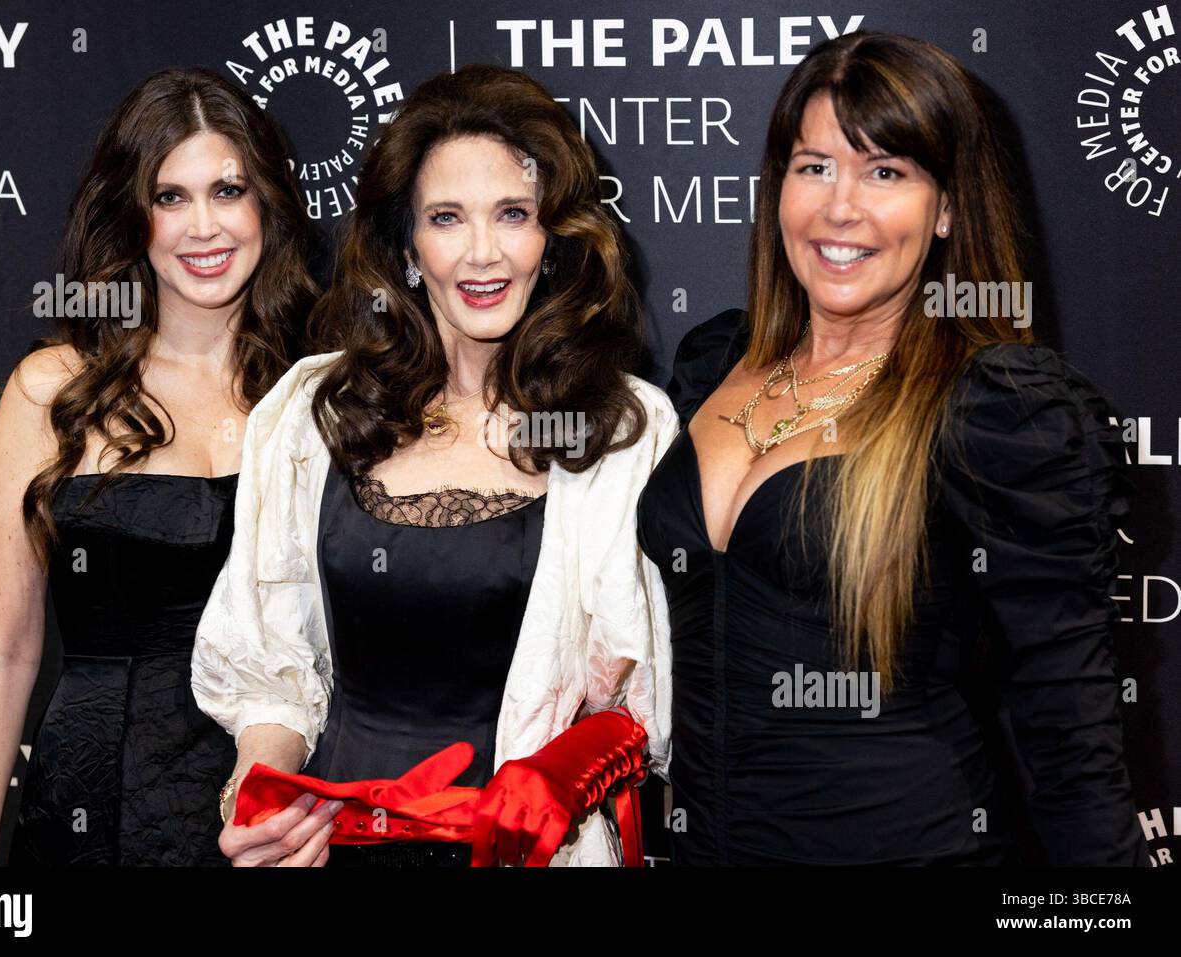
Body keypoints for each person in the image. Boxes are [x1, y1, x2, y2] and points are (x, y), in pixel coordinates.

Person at [637, 31, 1147, 865]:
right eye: (814, 166)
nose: (841, 207)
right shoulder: (714, 362)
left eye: (886, 172)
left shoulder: (996, 408)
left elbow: (1069, 734)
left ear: (945, 206)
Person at [192, 64, 675, 867]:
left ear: (553, 238)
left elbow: (642, 695)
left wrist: (559, 775)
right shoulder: (313, 409)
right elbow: (270, 668)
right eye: (447, 218)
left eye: (513, 214)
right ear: (407, 245)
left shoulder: (623, 429)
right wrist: (259, 793)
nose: (482, 254)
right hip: (335, 845)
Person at [0, 67, 320, 866]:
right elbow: (6, 651)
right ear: (132, 214)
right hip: (92, 799)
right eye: (170, 197)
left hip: (278, 813)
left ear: (268, 204)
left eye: (228, 190)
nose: (204, 227)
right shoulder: (54, 388)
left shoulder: (321, 393)